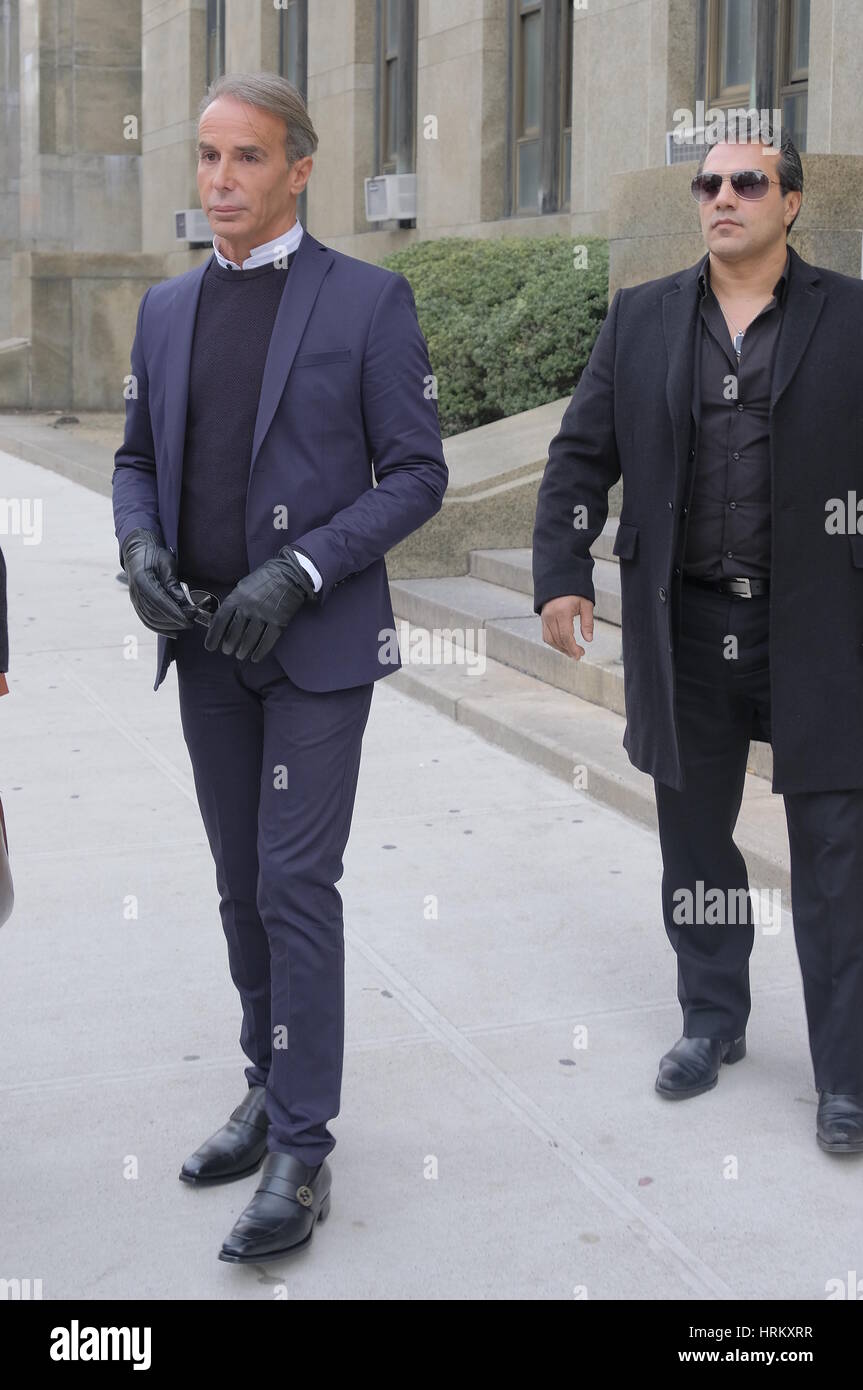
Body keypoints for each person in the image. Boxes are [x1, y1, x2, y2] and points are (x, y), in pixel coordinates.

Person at [113, 71, 447, 1262]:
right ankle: (266, 1081)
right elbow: (135, 457)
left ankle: (303, 1142)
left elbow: (417, 473)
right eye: (206, 158)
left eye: (245, 159)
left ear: (298, 169)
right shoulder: (165, 308)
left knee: (295, 886)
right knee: (236, 880)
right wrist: (138, 541)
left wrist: (300, 571)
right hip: (204, 649)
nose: (219, 182)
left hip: (310, 650)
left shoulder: (365, 301)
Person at [532, 130, 863, 1154]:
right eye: (706, 184)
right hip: (686, 624)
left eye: (746, 182)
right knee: (693, 841)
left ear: (789, 202)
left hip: (816, 630)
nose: (721, 197)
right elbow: (579, 453)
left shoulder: (850, 318)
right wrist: (558, 573)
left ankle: (844, 1071)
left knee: (835, 858)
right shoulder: (639, 318)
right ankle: (710, 1019)